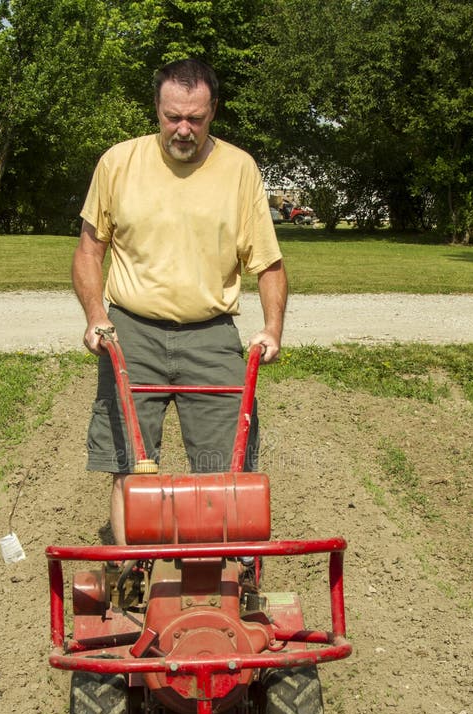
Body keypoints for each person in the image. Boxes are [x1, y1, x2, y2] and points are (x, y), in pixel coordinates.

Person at [72, 59, 287, 545]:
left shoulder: (239, 169)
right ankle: (130, 570)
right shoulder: (118, 163)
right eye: (173, 117)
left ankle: (221, 580)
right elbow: (89, 250)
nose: (183, 129)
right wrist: (96, 317)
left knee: (224, 466)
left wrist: (272, 328)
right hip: (131, 333)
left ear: (213, 112)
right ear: (157, 110)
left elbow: (268, 263)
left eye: (195, 118)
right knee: (128, 463)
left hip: (211, 336)